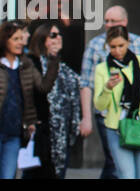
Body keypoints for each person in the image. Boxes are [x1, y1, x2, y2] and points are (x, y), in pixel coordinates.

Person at [79, 5, 140, 179]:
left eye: (113, 21)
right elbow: (86, 83)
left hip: (135, 115)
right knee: (114, 161)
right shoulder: (96, 45)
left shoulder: (138, 43)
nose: (109, 24)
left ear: (124, 22)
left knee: (133, 166)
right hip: (107, 113)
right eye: (107, 21)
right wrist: (86, 118)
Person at [92, 26, 140, 179]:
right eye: (113, 47)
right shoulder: (103, 69)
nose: (117, 51)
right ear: (107, 46)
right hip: (116, 128)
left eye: (121, 45)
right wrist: (108, 88)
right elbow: (99, 105)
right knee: (127, 175)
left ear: (128, 43)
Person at [0, 21, 59, 179]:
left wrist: (53, 61)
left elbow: (43, 87)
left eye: (21, 38)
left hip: (14, 132)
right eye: (15, 39)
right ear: (5, 40)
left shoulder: (26, 64)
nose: (20, 42)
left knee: (8, 175)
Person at [25, 22, 80, 179]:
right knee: (34, 174)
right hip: (40, 131)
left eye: (60, 35)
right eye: (53, 35)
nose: (58, 38)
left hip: (61, 135)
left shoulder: (66, 70)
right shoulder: (31, 63)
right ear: (42, 39)